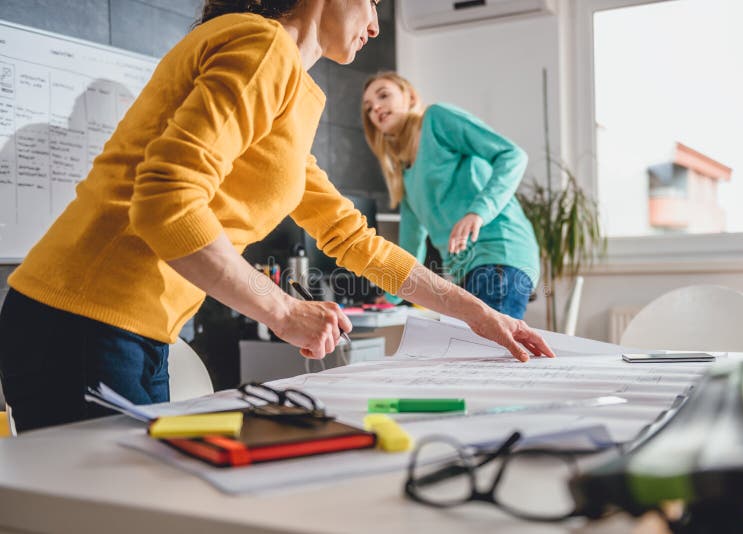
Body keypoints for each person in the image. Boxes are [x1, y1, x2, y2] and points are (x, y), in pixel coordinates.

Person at [0, 0, 554, 433]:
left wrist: (476, 313)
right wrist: (284, 311)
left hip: (127, 329)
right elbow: (165, 201)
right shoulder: (261, 45)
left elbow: (353, 238)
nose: (376, 25)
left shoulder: (282, 81)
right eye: (373, 3)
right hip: (83, 317)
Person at [361, 72, 540, 320]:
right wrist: (390, 297)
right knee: (477, 354)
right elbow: (410, 247)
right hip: (466, 271)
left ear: (410, 96)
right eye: (369, 107)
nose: (376, 108)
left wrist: (478, 212)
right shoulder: (406, 174)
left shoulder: (436, 119)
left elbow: (513, 156)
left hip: (498, 254)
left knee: (485, 354)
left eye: (383, 95)